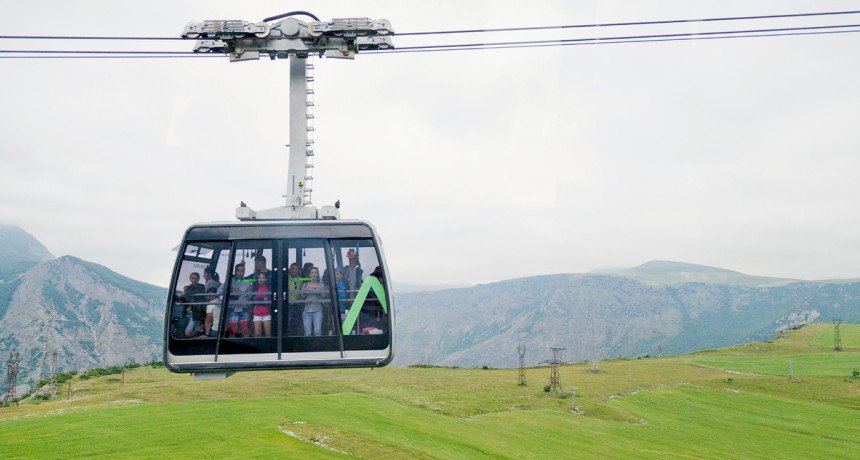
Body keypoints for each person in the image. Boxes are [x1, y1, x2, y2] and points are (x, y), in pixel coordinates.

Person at [226, 263, 252, 337]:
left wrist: (247, 300)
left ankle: (246, 344)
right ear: (235, 271)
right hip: (232, 309)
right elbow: (219, 292)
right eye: (238, 270)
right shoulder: (229, 281)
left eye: (242, 271)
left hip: (244, 309)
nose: (240, 273)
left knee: (245, 330)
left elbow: (250, 297)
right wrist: (229, 291)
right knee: (233, 331)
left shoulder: (248, 283)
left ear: (244, 272)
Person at [300, 267, 325, 336]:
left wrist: (319, 292)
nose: (314, 274)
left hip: (318, 310)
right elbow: (301, 298)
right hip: (306, 311)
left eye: (316, 272)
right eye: (312, 272)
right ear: (309, 275)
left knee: (317, 331)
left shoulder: (321, 285)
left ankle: (318, 343)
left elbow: (324, 296)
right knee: (307, 333)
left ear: (318, 274)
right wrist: (304, 292)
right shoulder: (305, 285)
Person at [252, 272, 272, 337]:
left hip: (267, 313)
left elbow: (269, 299)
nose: (261, 279)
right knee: (257, 335)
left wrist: (260, 299)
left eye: (263, 278)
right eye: (259, 278)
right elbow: (254, 299)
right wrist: (263, 299)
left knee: (268, 334)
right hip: (257, 313)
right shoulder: (255, 287)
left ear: (266, 279)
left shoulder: (269, 287)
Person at [286, 262, 304, 336]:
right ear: (289, 269)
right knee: (288, 323)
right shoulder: (285, 278)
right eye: (292, 268)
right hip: (288, 304)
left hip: (297, 305)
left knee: (298, 324)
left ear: (299, 270)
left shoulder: (301, 279)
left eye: (296, 269)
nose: (294, 270)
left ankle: (298, 340)